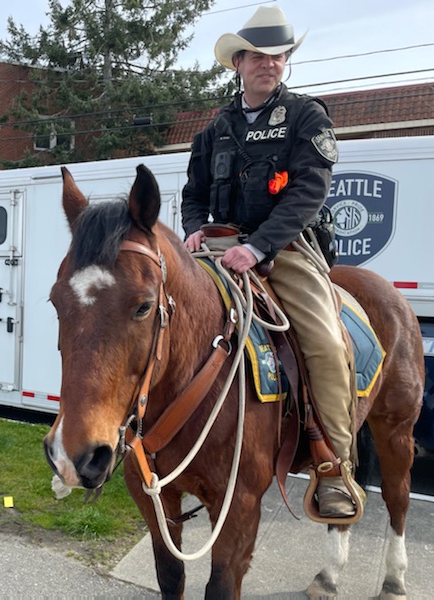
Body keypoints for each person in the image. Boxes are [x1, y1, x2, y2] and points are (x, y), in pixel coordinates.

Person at [181, 6, 361, 519]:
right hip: (218, 247)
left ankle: (334, 463)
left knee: (325, 343)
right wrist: (195, 229)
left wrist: (257, 247)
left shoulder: (307, 116)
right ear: (238, 62)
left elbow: (309, 191)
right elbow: (193, 194)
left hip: (283, 249)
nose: (270, 64)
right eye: (258, 55)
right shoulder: (213, 128)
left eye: (278, 55)